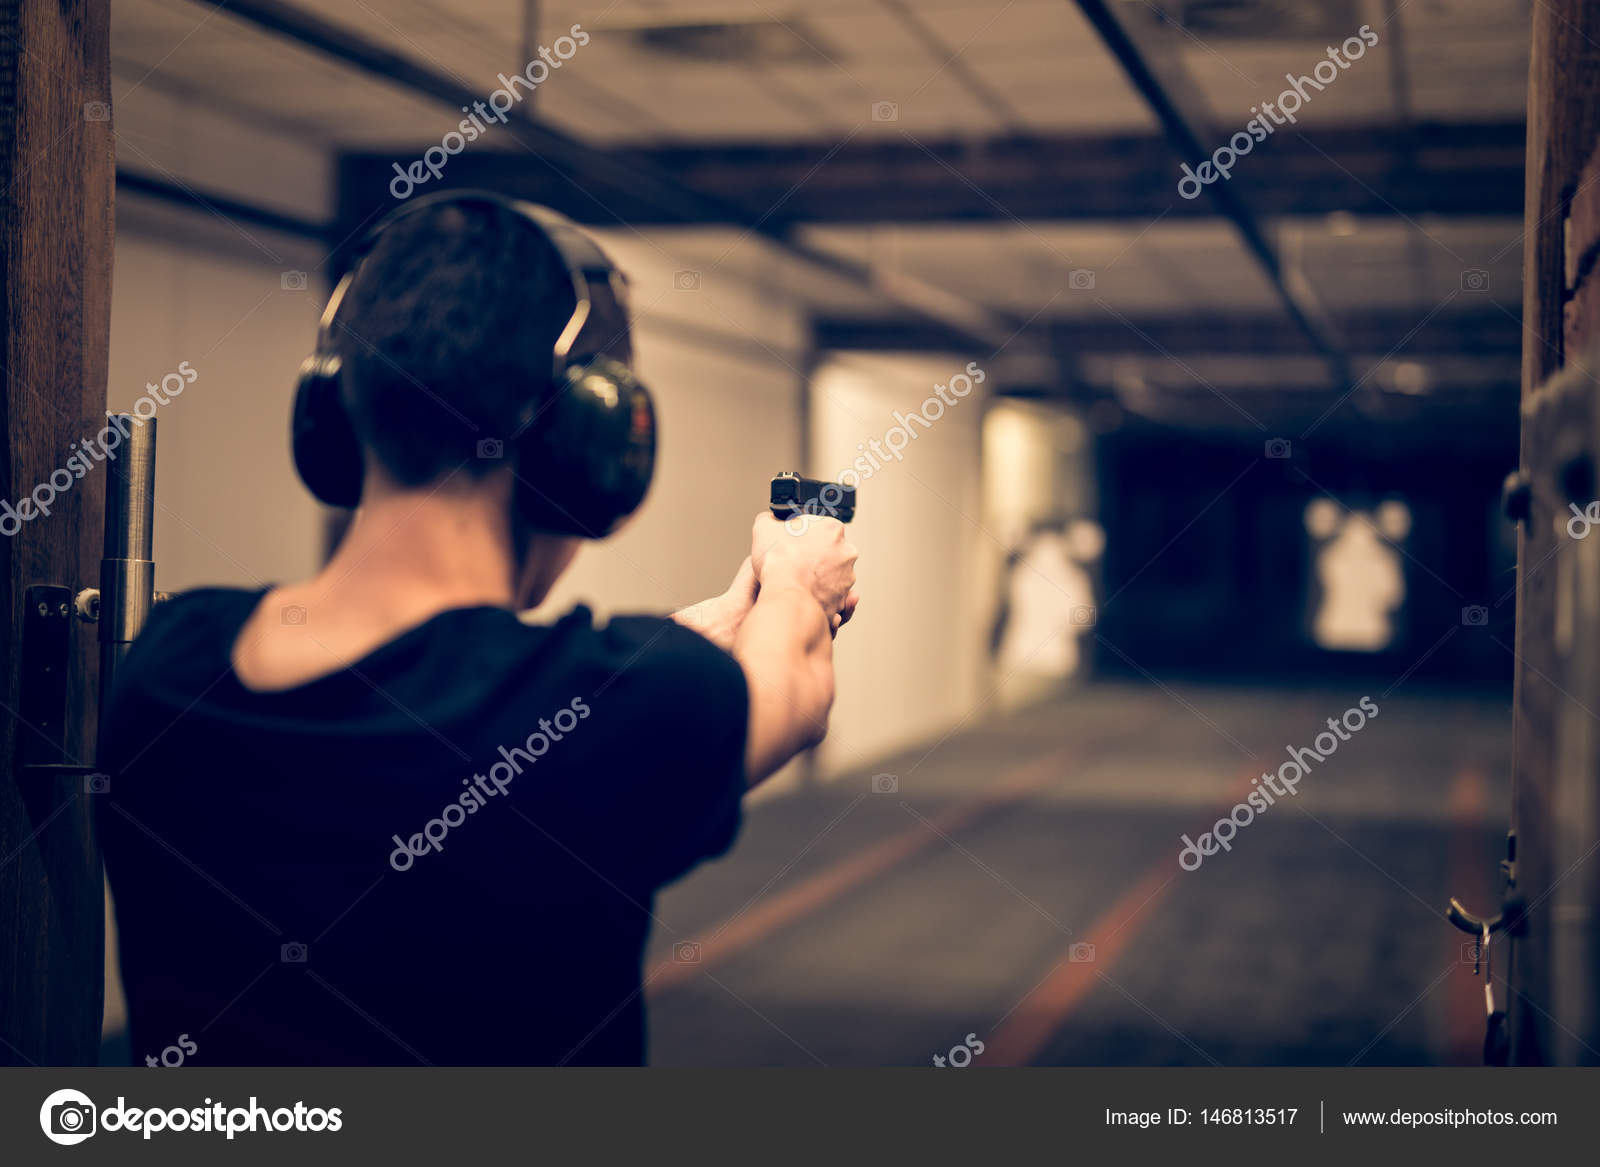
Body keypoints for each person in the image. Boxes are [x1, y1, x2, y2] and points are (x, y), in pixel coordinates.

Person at [98, 194, 859, 1067]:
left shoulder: (169, 668)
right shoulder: (624, 714)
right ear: (585, 443)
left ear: (335, 418)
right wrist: (799, 575)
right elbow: (791, 690)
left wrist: (692, 646)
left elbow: (542, 697)